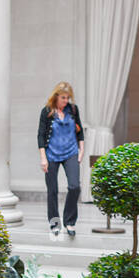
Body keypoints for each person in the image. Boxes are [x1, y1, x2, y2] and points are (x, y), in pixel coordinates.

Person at [37, 81, 85, 239]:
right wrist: (43, 158)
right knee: (52, 190)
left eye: (68, 98)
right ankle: (55, 223)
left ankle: (70, 221)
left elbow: (79, 131)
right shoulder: (47, 111)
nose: (66, 101)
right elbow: (41, 135)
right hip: (51, 154)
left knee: (74, 186)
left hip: (71, 151)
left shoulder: (73, 110)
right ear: (56, 96)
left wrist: (81, 149)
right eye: (63, 97)